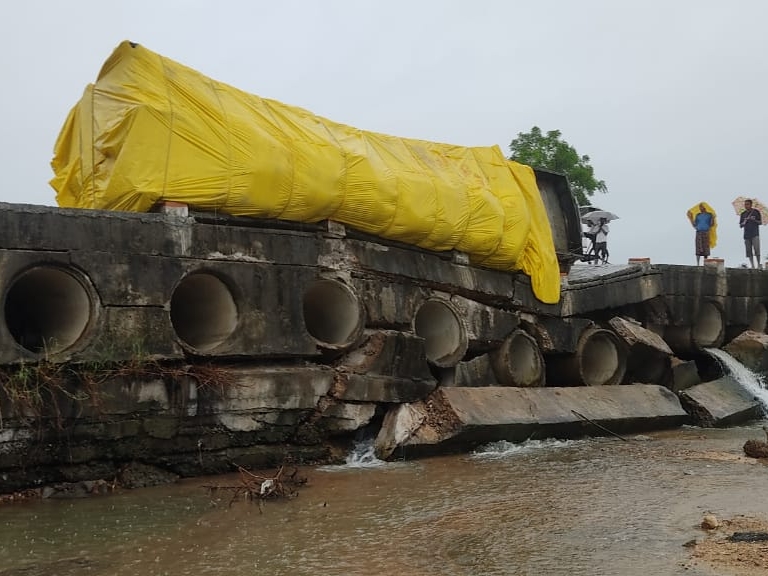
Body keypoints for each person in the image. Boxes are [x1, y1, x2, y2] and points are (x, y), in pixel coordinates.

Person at [739, 199, 762, 268]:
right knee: (749, 251)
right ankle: (752, 265)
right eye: (745, 204)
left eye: (747, 204)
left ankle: (758, 264)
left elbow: (760, 222)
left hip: (755, 234)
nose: (746, 206)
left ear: (751, 204)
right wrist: (743, 223)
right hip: (746, 235)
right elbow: (740, 225)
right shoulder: (743, 214)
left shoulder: (756, 212)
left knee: (757, 250)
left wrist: (754, 220)